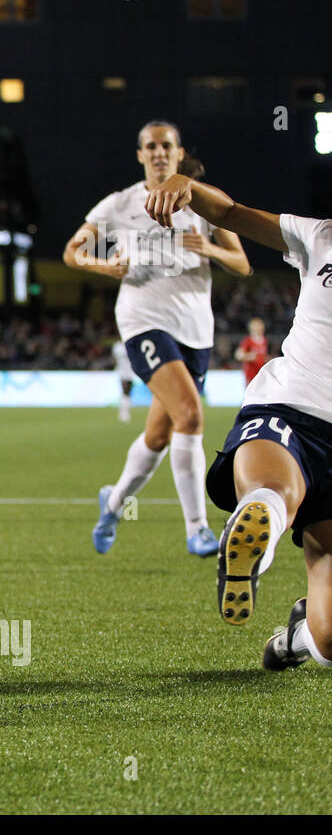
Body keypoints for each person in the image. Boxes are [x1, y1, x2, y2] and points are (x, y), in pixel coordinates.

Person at [146, 173, 332, 669]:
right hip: (290, 405)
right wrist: (187, 184)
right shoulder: (321, 235)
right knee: (272, 491)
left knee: (329, 640)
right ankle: (255, 538)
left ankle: (295, 639)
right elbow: (229, 214)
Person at [63, 120, 251, 557]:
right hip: (143, 320)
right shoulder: (120, 204)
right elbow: (73, 252)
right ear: (140, 154)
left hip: (195, 330)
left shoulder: (203, 203)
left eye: (167, 145)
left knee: (161, 434)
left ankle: (112, 503)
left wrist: (211, 250)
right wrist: (103, 266)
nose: (159, 152)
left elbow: (242, 264)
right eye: (151, 146)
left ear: (180, 153)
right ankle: (198, 529)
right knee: (190, 415)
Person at [235, 317, 270, 386]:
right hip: (251, 373)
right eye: (257, 325)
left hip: (261, 372)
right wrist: (249, 356)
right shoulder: (248, 341)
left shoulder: (264, 340)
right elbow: (238, 355)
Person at [111, 338, 134, 424]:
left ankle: (124, 412)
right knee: (125, 392)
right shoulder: (121, 346)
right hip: (123, 371)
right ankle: (124, 413)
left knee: (127, 393)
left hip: (129, 371)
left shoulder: (118, 346)